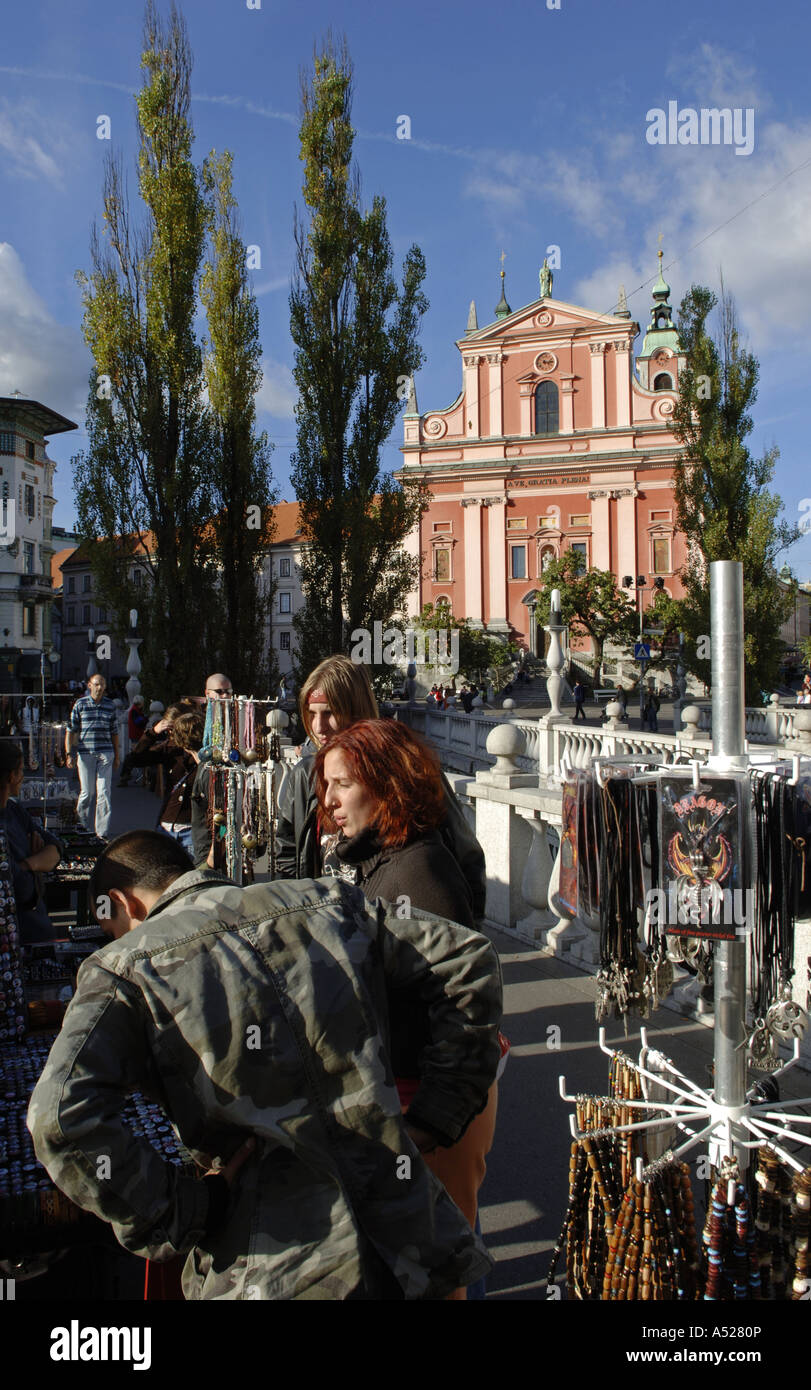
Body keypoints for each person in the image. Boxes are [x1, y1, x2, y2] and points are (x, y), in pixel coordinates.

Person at [27, 830, 501, 1300]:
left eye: (112, 928)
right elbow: (467, 958)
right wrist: (437, 1113)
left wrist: (185, 1210)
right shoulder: (329, 900)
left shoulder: (125, 966)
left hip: (275, 1268)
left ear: (123, 904)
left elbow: (57, 1117)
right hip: (410, 1245)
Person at [314, 719, 503, 1299]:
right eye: (327, 786)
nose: (328, 802)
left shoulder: (418, 871)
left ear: (386, 783)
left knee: (433, 1269)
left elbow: (466, 1011)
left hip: (432, 1101)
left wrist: (426, 1124)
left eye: (341, 785)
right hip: (409, 1093)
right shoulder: (376, 860)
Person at [274, 656, 487, 918]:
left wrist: (470, 928)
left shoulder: (408, 769)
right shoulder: (304, 776)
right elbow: (286, 852)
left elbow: (466, 857)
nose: (318, 728)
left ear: (355, 709)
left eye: (329, 713)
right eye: (311, 714)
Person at [0, 741, 63, 944]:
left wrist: (28, 863)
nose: (23, 777)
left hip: (34, 922)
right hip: (16, 926)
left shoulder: (14, 810)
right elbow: (17, 885)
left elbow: (54, 847)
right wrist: (36, 864)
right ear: (11, 776)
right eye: (20, 771)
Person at [65, 673, 119, 838]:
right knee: (87, 793)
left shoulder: (110, 705)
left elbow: (114, 732)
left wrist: (117, 755)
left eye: (102, 684)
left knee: (104, 792)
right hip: (85, 752)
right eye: (96, 684)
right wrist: (69, 754)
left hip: (105, 752)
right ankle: (81, 826)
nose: (100, 688)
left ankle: (101, 833)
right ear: (89, 685)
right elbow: (71, 730)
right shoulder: (80, 704)